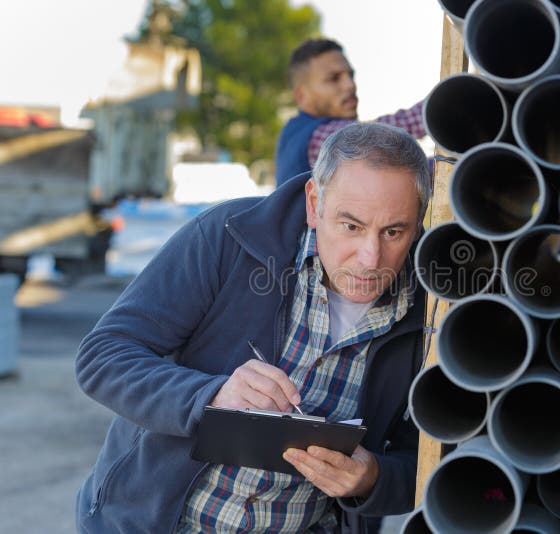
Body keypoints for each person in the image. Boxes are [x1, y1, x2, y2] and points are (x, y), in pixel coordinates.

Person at [75, 122, 431, 533]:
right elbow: (103, 357)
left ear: (419, 222)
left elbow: (431, 457)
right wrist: (211, 395)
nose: (371, 258)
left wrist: (374, 479)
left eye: (394, 231)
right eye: (351, 226)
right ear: (314, 204)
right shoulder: (227, 236)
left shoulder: (432, 311)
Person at [275, 38, 426, 187]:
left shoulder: (292, 135)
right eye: (334, 79)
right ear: (302, 96)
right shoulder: (316, 138)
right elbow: (388, 135)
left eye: (350, 75)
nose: (350, 85)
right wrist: (443, 100)